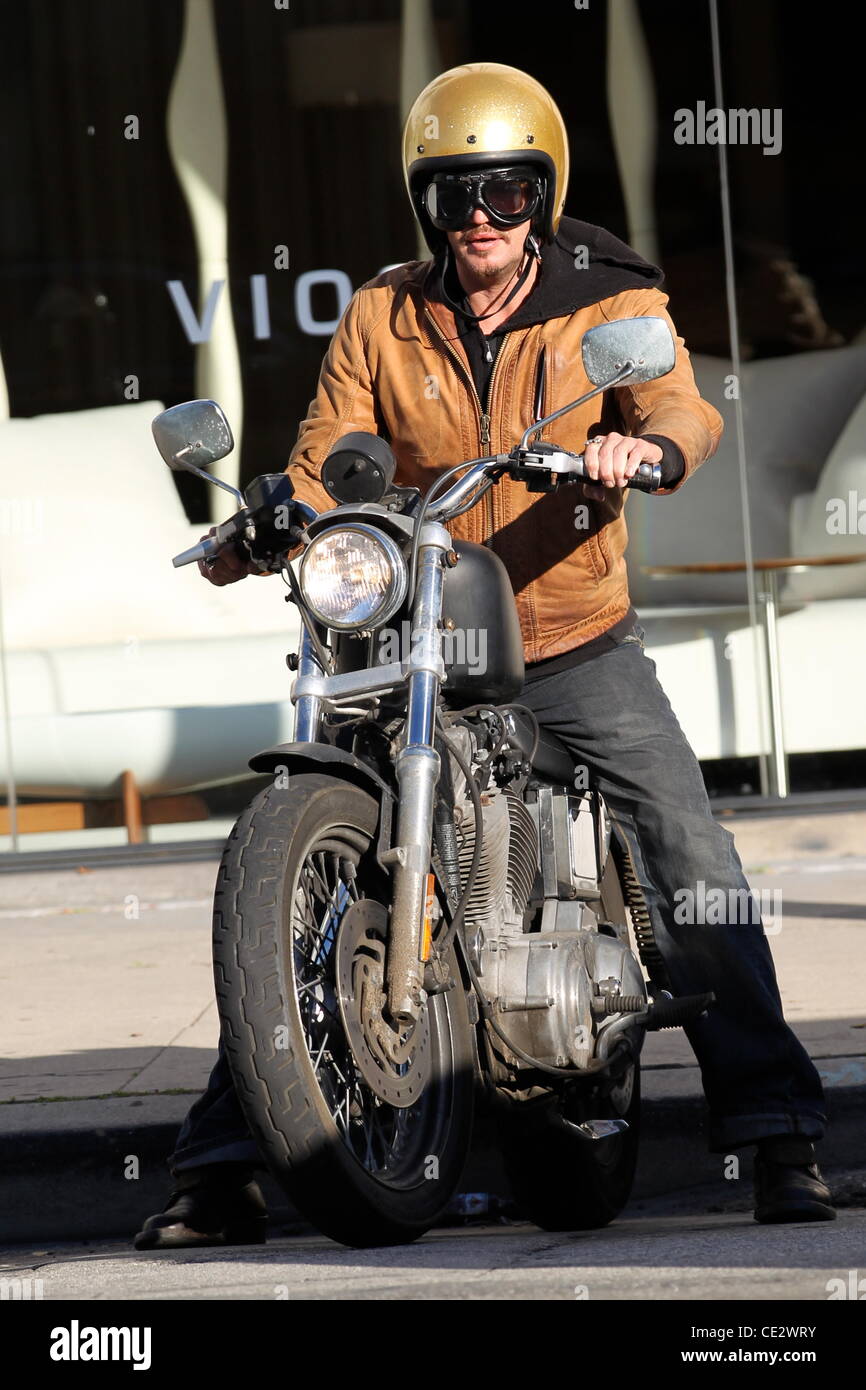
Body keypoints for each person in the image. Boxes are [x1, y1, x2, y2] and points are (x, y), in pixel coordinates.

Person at [135, 62, 833, 1249]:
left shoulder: (606, 301)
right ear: (426, 205)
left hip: (566, 638)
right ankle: (227, 1161)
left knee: (685, 845)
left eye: (504, 195)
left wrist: (643, 452)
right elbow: (328, 452)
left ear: (541, 196)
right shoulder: (380, 313)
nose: (480, 223)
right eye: (455, 197)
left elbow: (678, 404)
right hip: (417, 635)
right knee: (299, 887)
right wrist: (272, 518)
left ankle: (773, 1132)